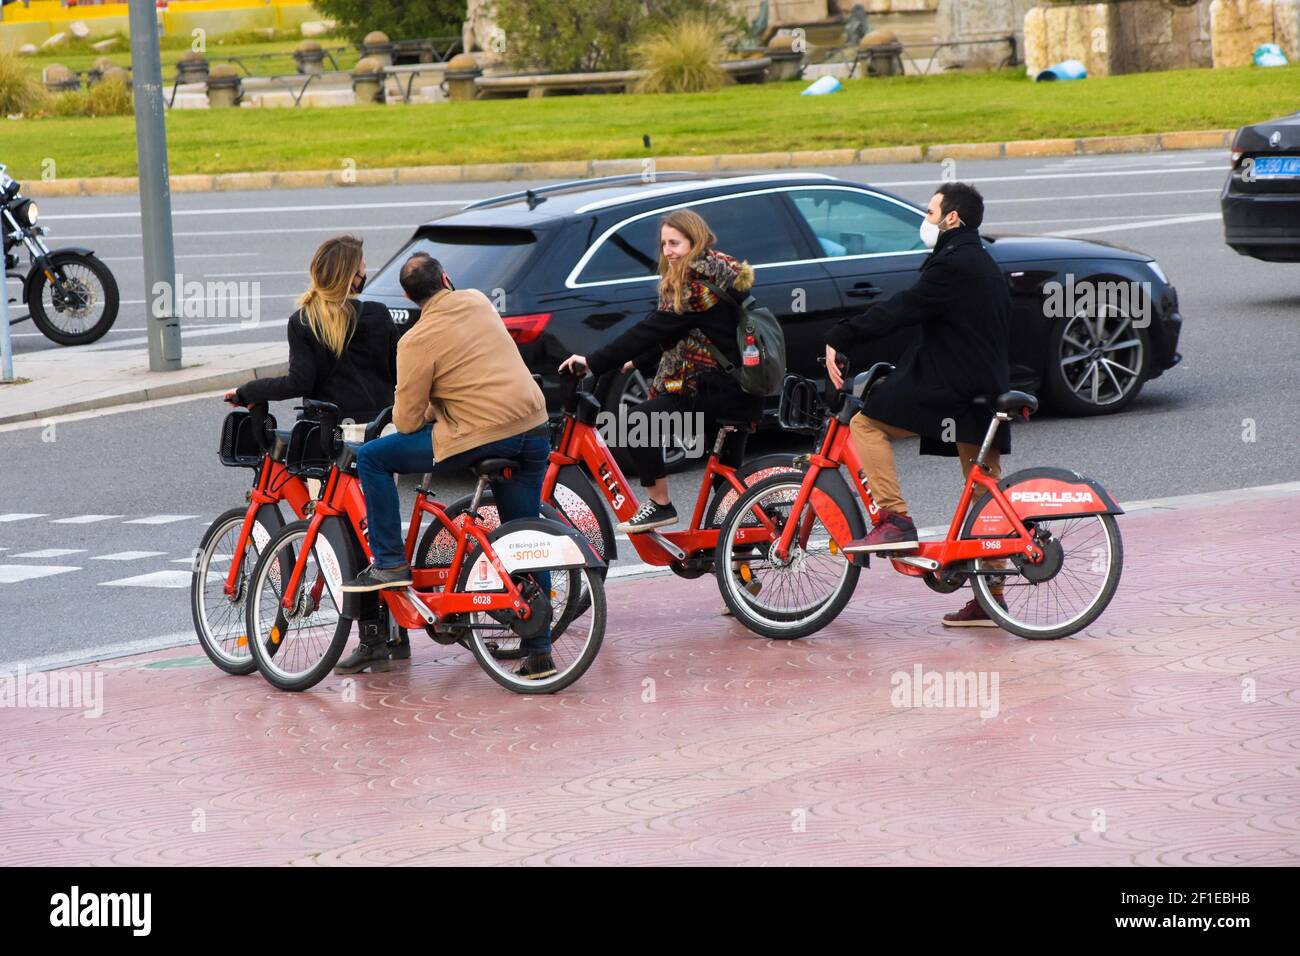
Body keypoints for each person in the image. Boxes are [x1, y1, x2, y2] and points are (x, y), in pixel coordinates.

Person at [338, 253, 556, 679]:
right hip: (533, 425)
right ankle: (539, 648)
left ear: (408, 295)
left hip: (482, 434)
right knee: (523, 534)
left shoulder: (415, 340)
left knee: (373, 458)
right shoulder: (477, 300)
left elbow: (406, 420)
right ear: (446, 279)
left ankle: (389, 562)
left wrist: (431, 405)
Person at [823, 181, 1013, 628]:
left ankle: (895, 519)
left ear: (952, 218)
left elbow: (905, 307)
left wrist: (843, 333)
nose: (924, 221)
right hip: (984, 386)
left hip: (956, 386)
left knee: (867, 425)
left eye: (930, 213)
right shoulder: (982, 260)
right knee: (983, 493)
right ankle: (992, 597)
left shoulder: (952, 264)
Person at [558, 209, 762, 533]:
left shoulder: (698, 289)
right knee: (727, 490)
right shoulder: (719, 274)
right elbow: (691, 332)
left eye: (676, 243)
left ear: (695, 243)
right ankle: (741, 551)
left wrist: (594, 360)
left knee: (638, 423)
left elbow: (652, 329)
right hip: (737, 388)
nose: (668, 251)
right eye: (664, 243)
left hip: (714, 389)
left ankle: (660, 505)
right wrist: (637, 361)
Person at [224, 234, 397, 425]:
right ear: (351, 277)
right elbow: (399, 373)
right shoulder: (378, 314)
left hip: (329, 431)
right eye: (363, 269)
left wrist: (247, 392)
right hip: (379, 427)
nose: (364, 274)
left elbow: (297, 384)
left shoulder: (304, 321)